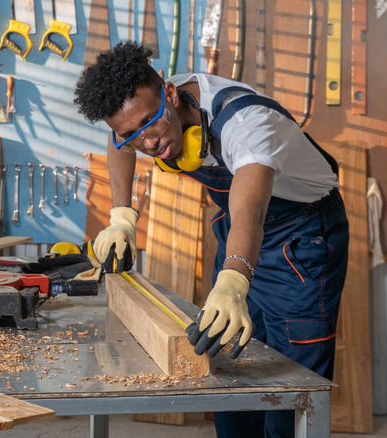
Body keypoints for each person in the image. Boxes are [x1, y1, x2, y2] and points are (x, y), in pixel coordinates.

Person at [74, 41, 349, 438]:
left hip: (301, 240)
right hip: (242, 237)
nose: (149, 143)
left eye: (152, 122)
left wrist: (234, 281)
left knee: (290, 387)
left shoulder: (246, 123)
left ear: (169, 93)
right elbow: (122, 138)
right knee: (230, 372)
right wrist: (121, 216)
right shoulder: (146, 113)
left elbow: (249, 212)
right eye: (132, 134)